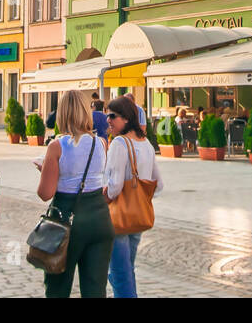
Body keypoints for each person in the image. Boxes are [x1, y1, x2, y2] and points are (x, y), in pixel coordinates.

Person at [34, 89, 112, 298]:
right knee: (95, 289)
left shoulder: (57, 146)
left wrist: (46, 171)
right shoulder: (101, 143)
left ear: (62, 114)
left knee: (58, 287)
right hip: (99, 219)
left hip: (66, 221)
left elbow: (45, 193)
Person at [104, 95, 163, 298]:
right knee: (127, 270)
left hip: (118, 217)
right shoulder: (146, 144)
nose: (108, 120)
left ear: (126, 118)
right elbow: (159, 184)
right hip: (137, 216)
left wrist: (103, 195)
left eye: (112, 116)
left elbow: (114, 187)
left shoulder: (119, 144)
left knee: (120, 273)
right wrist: (139, 198)